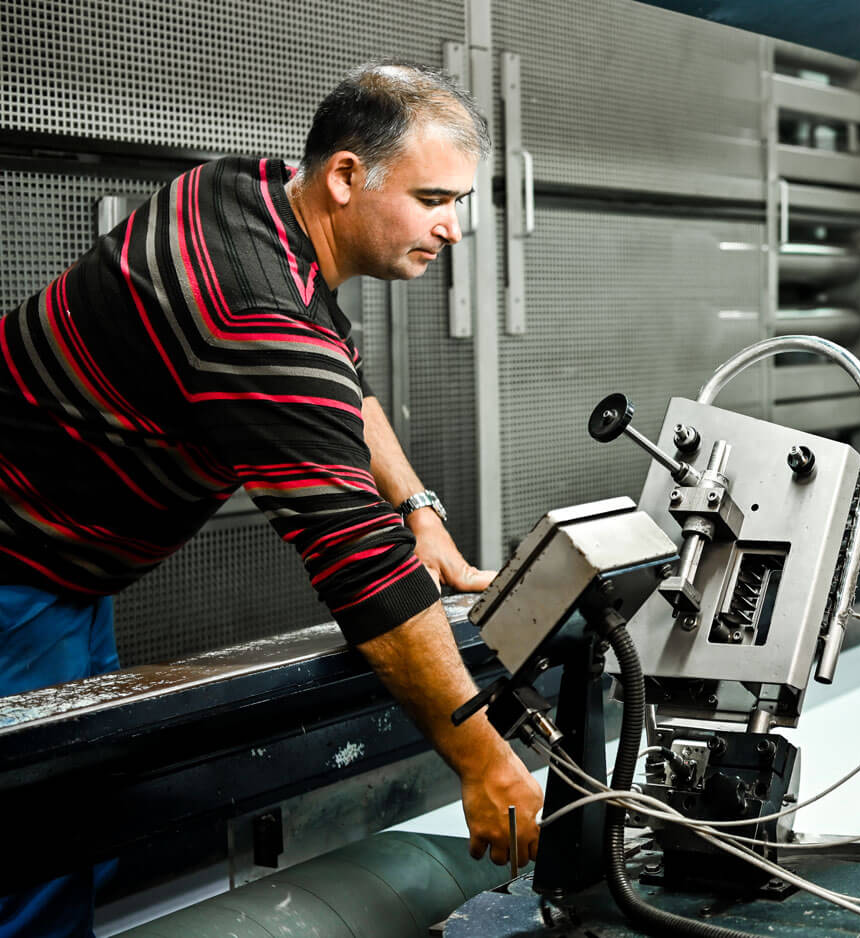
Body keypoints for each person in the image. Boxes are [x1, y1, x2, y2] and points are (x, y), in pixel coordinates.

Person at [0, 63, 541, 936]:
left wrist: (419, 511)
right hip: (16, 568)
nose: (454, 228)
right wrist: (482, 762)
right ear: (344, 176)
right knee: (24, 856)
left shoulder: (238, 189)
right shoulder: (257, 316)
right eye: (436, 198)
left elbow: (341, 381)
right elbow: (362, 576)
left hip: (65, 569)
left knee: (65, 826)